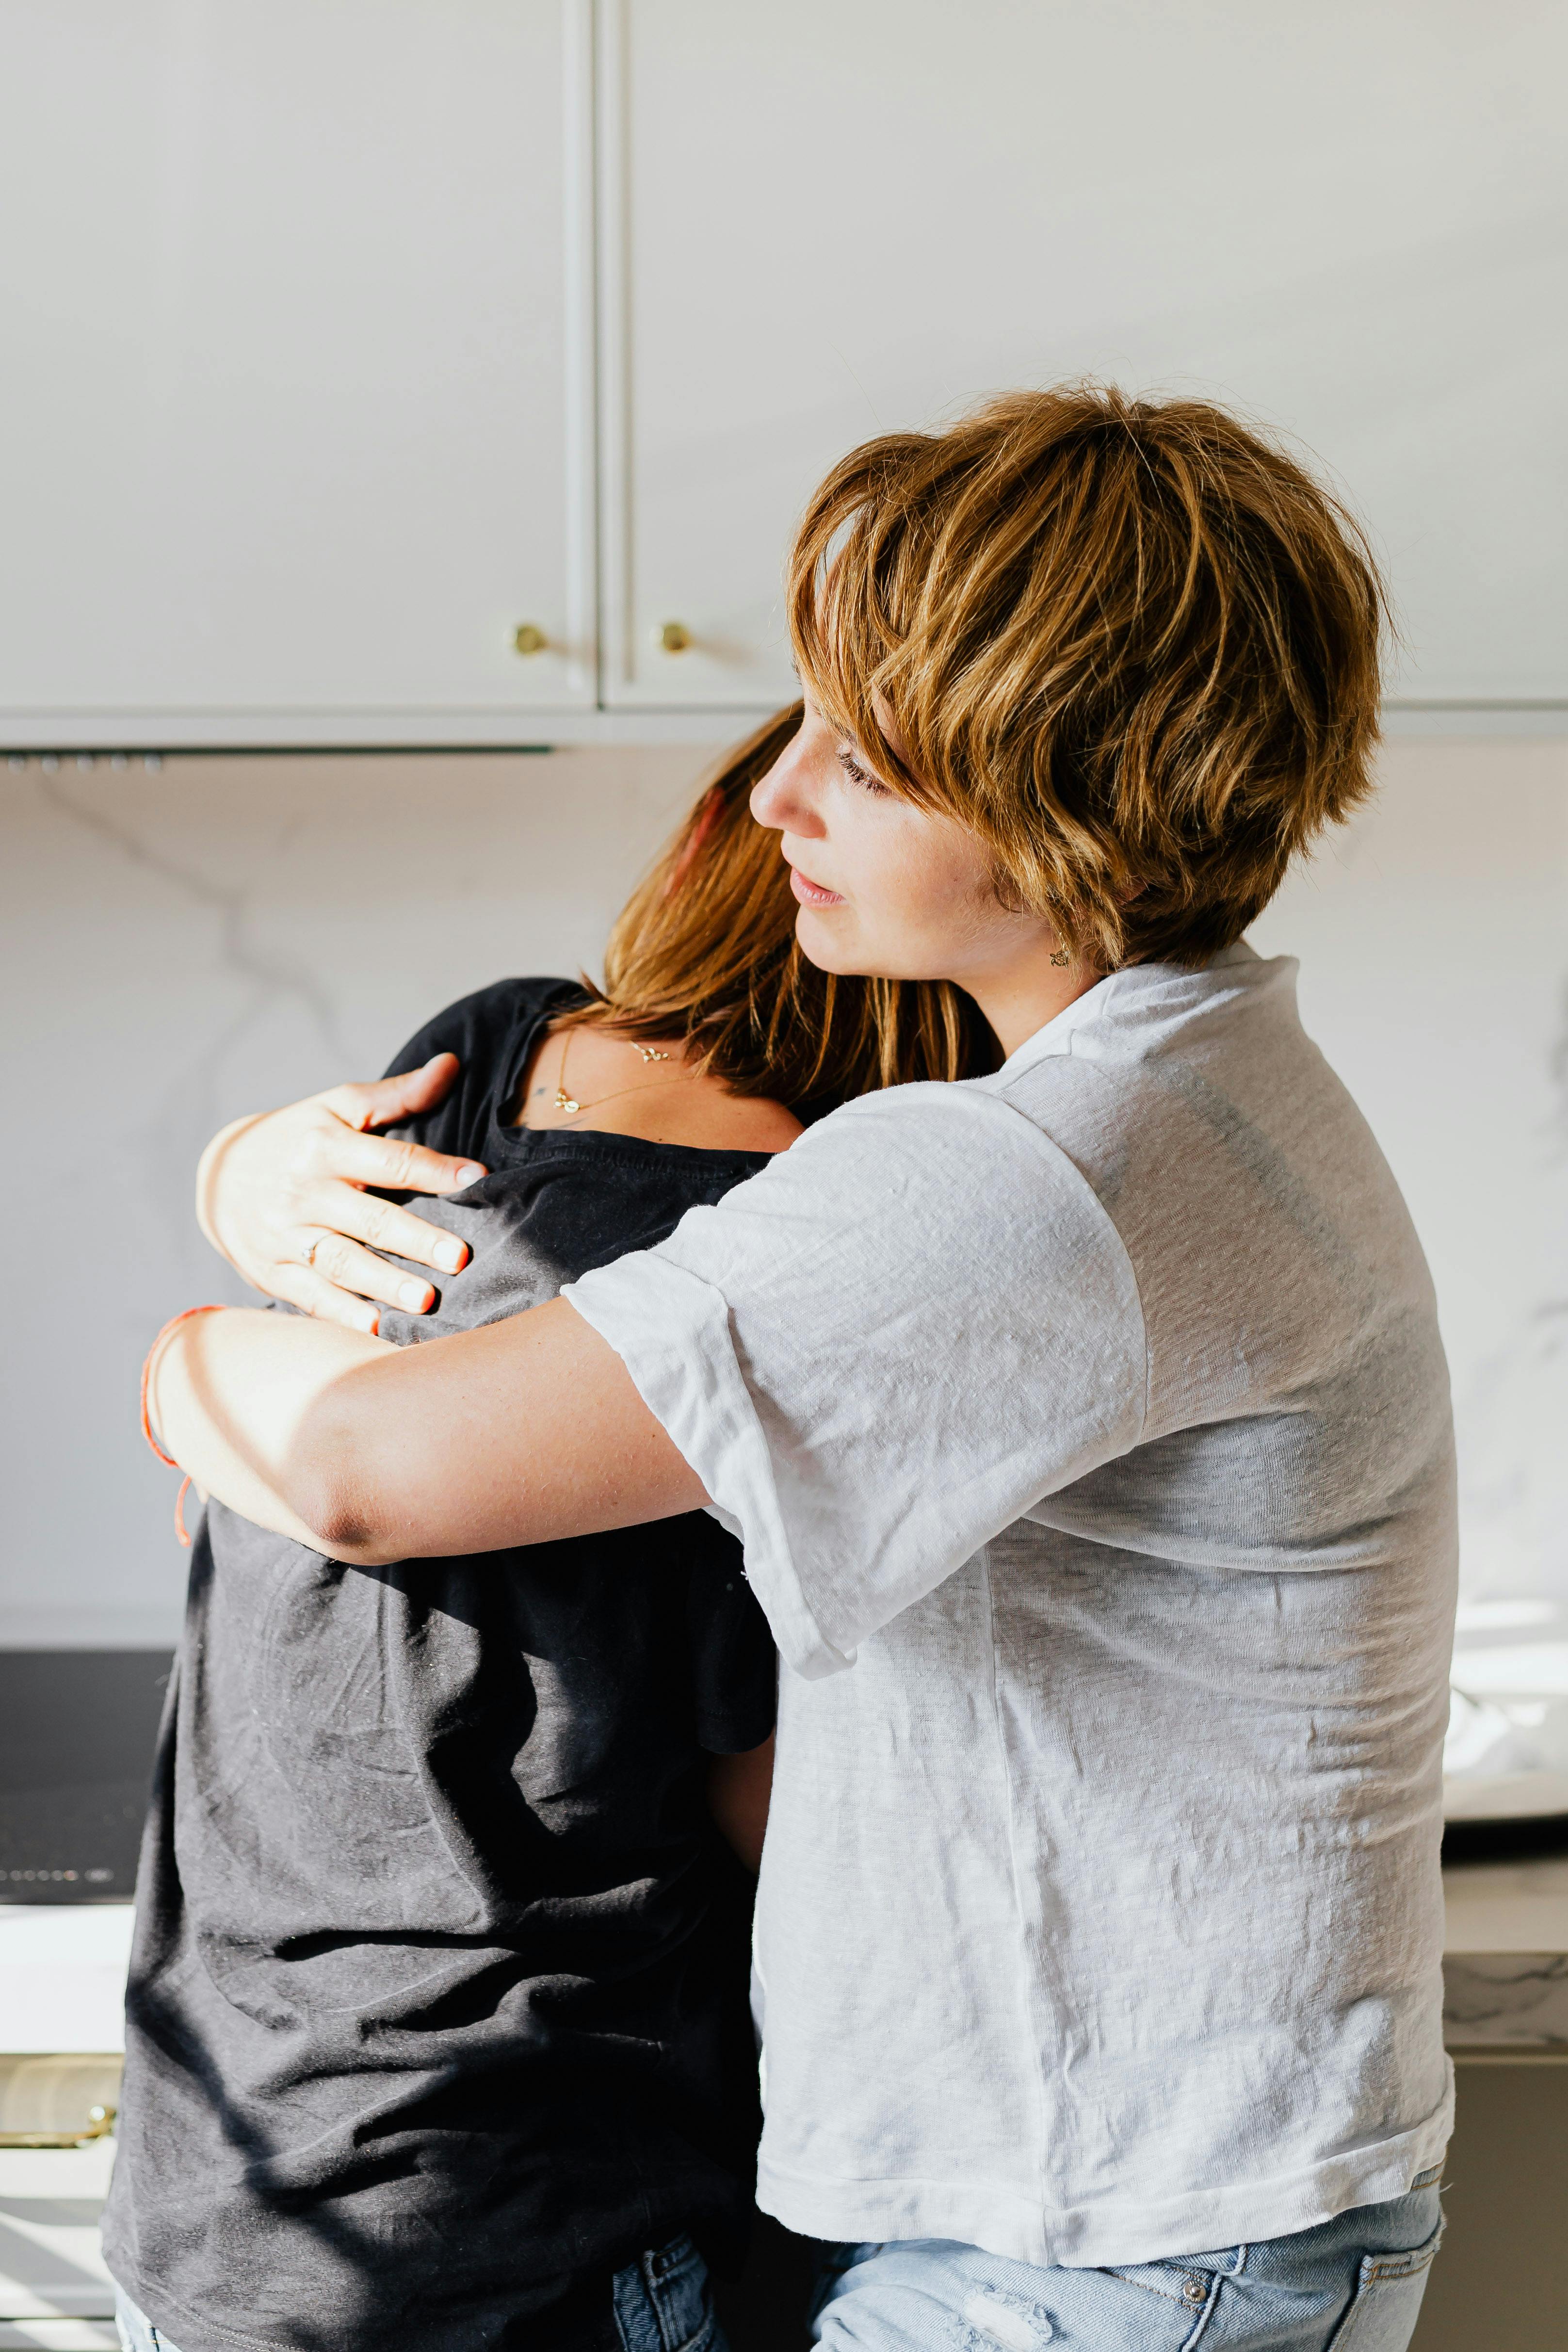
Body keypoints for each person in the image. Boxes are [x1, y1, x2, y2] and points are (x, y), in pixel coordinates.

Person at [148, 387, 1457, 2352]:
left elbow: (361, 1466)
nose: (779, 799)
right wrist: (240, 1170)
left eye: (863, 752)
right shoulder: (1189, 1095)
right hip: (1129, 2212)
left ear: (1055, 788)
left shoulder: (1023, 1183)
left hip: (1097, 2240)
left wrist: (185, 1330)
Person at [109, 705, 992, 2352]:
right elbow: (782, 1831)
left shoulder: (493, 1054)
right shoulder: (808, 1254)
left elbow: (288, 1454)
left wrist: (207, 1272)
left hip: (222, 2191)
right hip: (530, 2224)